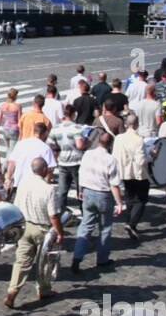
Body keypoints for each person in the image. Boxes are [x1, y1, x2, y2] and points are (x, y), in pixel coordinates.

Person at [4, 157, 64, 308]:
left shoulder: (23, 183)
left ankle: (12, 292)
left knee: (21, 262)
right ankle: (44, 289)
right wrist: (60, 232)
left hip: (24, 227)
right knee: (45, 262)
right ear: (44, 170)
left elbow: (15, 206)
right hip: (42, 229)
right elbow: (53, 215)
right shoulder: (49, 189)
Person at [71, 133, 123, 273]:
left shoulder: (87, 154)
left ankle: (77, 257)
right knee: (105, 228)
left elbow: (81, 172)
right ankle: (102, 259)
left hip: (88, 192)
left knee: (86, 226)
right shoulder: (111, 159)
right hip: (103, 194)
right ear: (110, 144)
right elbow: (114, 184)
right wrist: (119, 203)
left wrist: (81, 189)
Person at [113, 113, 148, 242]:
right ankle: (131, 223)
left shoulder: (118, 138)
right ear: (137, 124)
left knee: (129, 197)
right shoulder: (139, 139)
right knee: (141, 200)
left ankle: (129, 221)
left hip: (124, 173)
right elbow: (141, 160)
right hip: (138, 173)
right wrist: (152, 156)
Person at [47, 104, 86, 212]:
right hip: (77, 161)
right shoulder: (77, 128)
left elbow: (51, 144)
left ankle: (61, 211)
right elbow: (80, 145)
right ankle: (83, 210)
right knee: (80, 188)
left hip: (63, 161)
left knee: (63, 189)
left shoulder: (56, 128)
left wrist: (59, 150)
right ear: (74, 114)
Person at [5, 122, 57, 200]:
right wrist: (46, 185)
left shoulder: (21, 144)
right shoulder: (45, 148)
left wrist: (8, 178)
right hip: (35, 187)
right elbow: (50, 170)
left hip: (18, 183)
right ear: (45, 133)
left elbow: (12, 163)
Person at [0, 89, 23, 156]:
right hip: (14, 129)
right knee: (12, 151)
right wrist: (21, 132)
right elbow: (20, 120)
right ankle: (5, 166)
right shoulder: (17, 106)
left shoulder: (3, 105)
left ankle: (6, 164)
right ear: (15, 96)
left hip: (5, 128)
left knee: (8, 149)